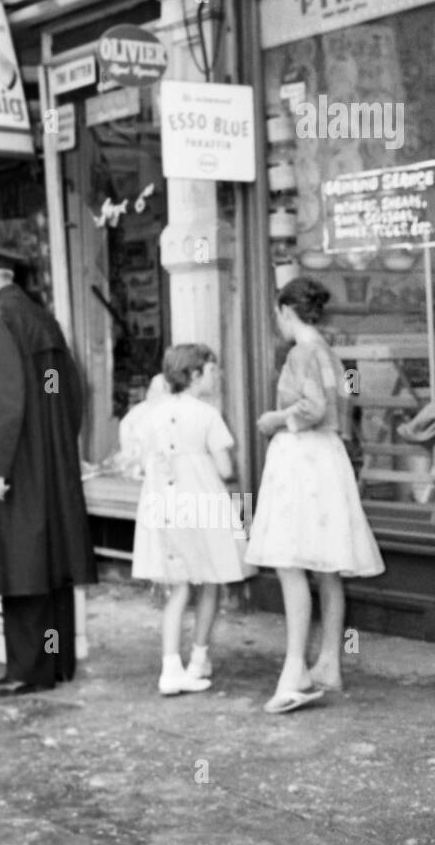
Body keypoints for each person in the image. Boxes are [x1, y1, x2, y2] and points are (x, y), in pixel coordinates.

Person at [0, 242, 96, 697]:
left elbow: (5, 398)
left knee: (18, 566)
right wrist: (56, 439)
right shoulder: (42, 317)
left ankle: (27, 670)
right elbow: (69, 390)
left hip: (15, 458)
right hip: (49, 457)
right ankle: (57, 663)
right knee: (50, 563)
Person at [245, 277, 385, 714]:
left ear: (286, 310)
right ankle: (329, 663)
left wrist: (274, 420)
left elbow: (312, 409)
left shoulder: (300, 353)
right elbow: (343, 404)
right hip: (330, 457)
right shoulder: (330, 351)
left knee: (291, 562)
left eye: (277, 312)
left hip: (302, 458)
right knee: (328, 567)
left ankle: (295, 671)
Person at [131, 344, 255, 695]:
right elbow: (226, 468)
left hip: (165, 505)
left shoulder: (150, 415)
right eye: (213, 370)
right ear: (193, 375)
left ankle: (171, 666)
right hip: (203, 503)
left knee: (178, 586)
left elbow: (141, 462)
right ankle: (199, 659)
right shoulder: (207, 414)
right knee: (211, 579)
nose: (218, 377)